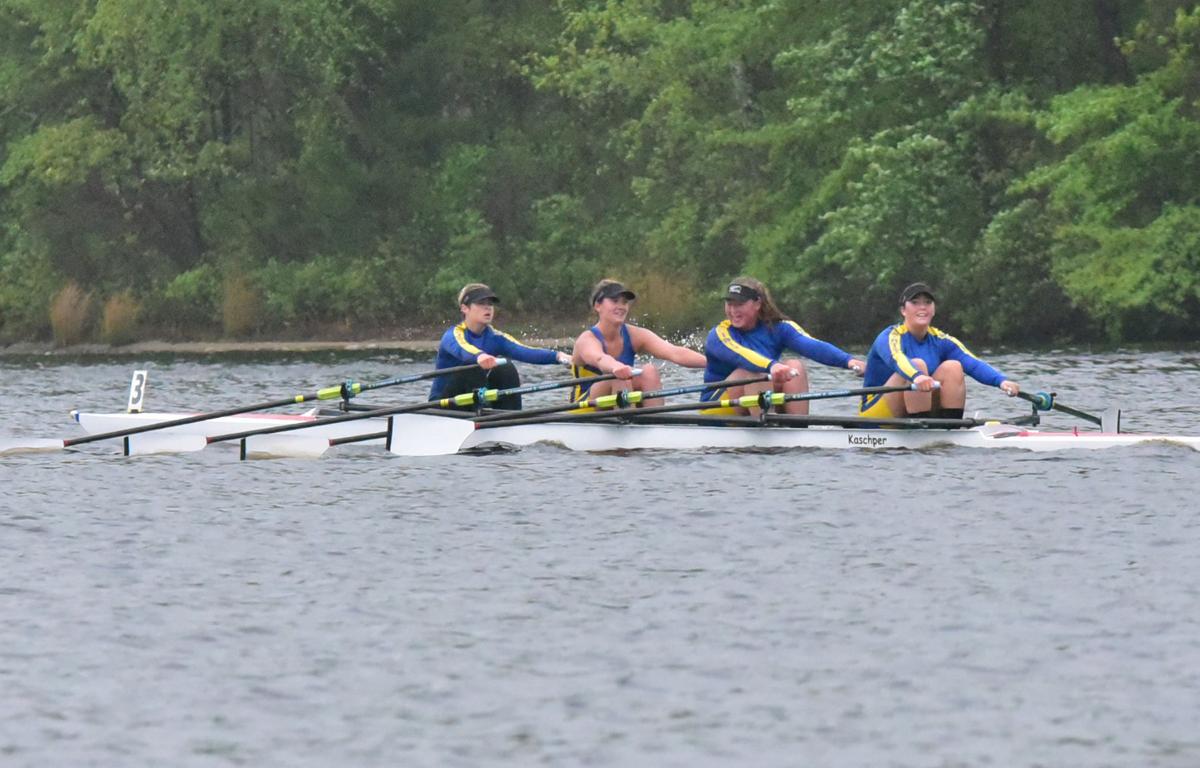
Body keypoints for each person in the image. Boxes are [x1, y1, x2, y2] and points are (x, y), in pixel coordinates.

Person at [703, 277, 865, 415]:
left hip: (759, 396)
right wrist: (772, 365)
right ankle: (767, 428)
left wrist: (849, 361)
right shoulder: (719, 334)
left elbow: (812, 345)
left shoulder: (779, 328)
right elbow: (743, 356)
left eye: (739, 304)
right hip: (718, 407)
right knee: (755, 371)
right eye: (729, 304)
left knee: (795, 366)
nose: (732, 310)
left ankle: (798, 429)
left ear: (757, 304)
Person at [859, 282, 1020, 421]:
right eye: (915, 302)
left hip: (915, 409)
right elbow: (897, 359)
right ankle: (921, 433)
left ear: (934, 309)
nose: (922, 307)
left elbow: (973, 363)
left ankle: (949, 429)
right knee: (918, 364)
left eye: (928, 302)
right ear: (903, 310)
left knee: (953, 367)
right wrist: (917, 376)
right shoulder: (890, 337)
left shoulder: (941, 339)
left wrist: (1001, 381)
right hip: (875, 413)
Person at [429, 283, 571, 410]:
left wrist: (559, 357)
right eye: (481, 303)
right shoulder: (453, 335)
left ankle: (511, 416)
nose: (487, 307)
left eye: (490, 303)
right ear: (464, 308)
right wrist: (480, 356)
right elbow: (463, 350)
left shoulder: (495, 337)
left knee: (506, 367)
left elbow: (525, 351)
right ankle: (483, 413)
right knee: (472, 368)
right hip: (443, 405)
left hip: (474, 402)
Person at [570, 279, 707, 406]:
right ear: (598, 305)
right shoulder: (587, 339)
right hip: (585, 405)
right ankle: (625, 416)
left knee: (649, 371)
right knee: (618, 377)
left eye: (624, 302)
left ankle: (653, 419)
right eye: (615, 301)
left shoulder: (635, 335)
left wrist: (711, 363)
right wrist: (616, 367)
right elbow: (599, 358)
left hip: (620, 396)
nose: (621, 306)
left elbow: (675, 353)